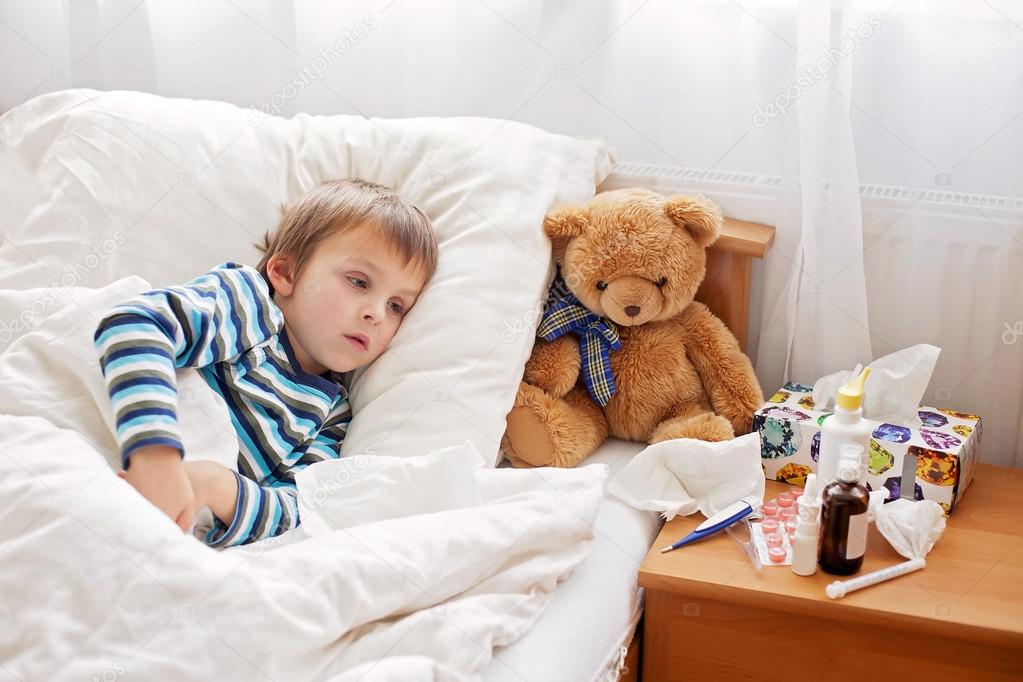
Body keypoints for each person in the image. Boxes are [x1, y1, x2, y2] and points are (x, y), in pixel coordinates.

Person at [93, 179, 437, 547]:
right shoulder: (248, 304)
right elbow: (137, 324)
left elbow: (299, 510)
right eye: (358, 281)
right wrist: (154, 454)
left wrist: (216, 486)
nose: (376, 314)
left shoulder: (332, 414)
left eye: (396, 306)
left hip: (181, 516)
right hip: (125, 445)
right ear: (286, 273)